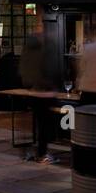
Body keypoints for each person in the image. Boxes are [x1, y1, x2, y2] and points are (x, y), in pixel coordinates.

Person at [19, 32, 63, 164]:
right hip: (46, 94)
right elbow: (51, 70)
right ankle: (42, 154)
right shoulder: (45, 52)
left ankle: (33, 151)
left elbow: (22, 73)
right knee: (45, 126)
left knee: (37, 124)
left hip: (32, 93)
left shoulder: (27, 53)